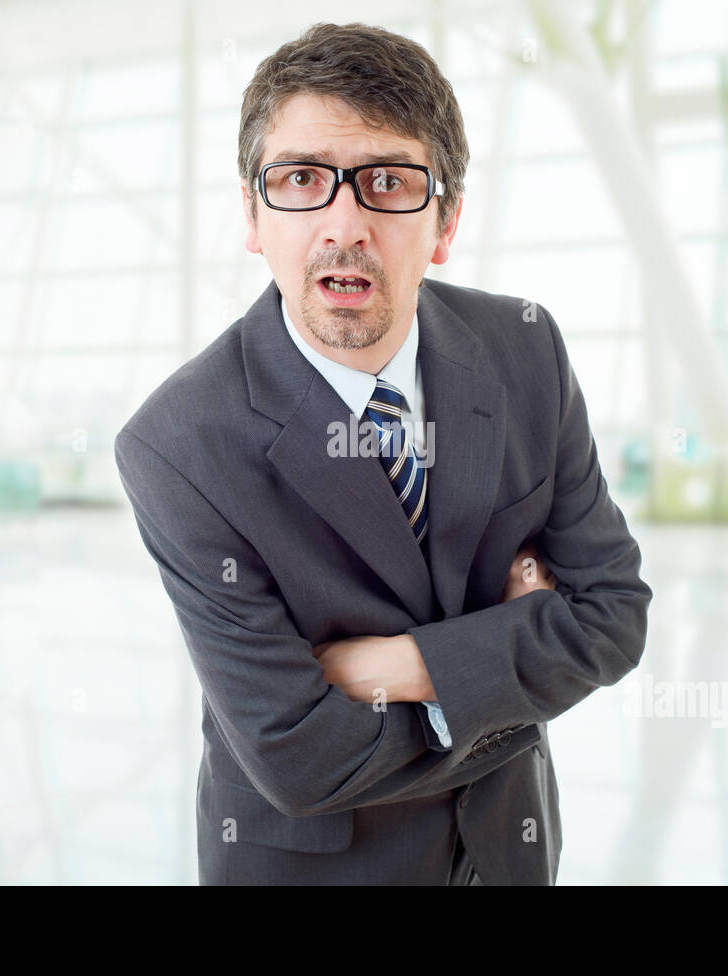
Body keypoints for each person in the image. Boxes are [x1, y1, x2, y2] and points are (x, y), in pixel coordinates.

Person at [114, 21, 652, 885]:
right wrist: (511, 650)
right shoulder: (179, 445)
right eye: (300, 180)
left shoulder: (523, 350)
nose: (344, 223)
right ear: (253, 216)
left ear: (444, 223)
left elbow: (616, 615)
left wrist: (392, 670)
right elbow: (299, 759)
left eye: (389, 183)